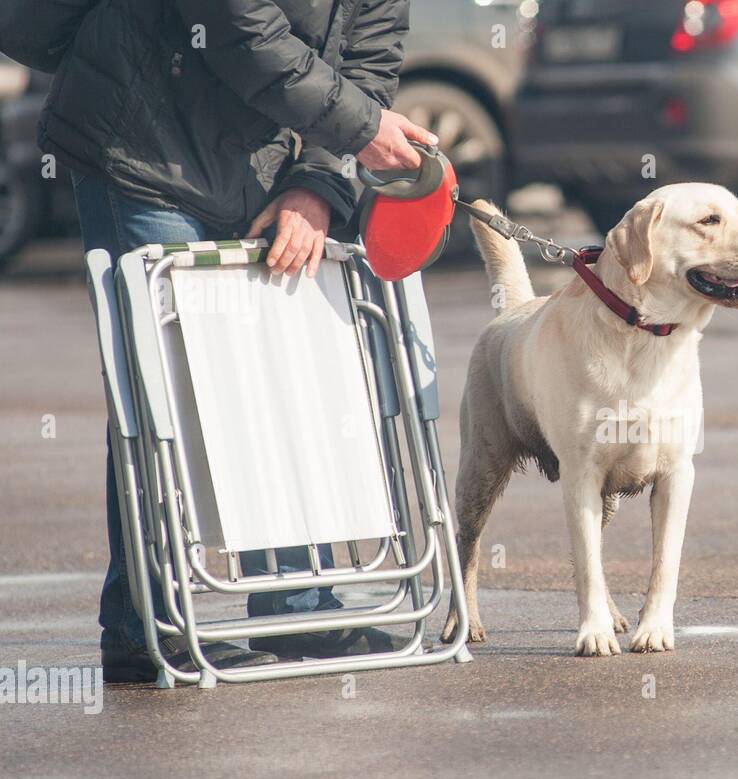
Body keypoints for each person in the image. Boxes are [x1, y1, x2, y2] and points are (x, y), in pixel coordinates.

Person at [35, 0, 437, 682]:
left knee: (270, 371)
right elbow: (239, 29)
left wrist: (315, 184)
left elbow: (369, 56)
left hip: (265, 160)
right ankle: (144, 623)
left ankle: (296, 599)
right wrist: (365, 129)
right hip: (144, 144)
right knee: (167, 388)